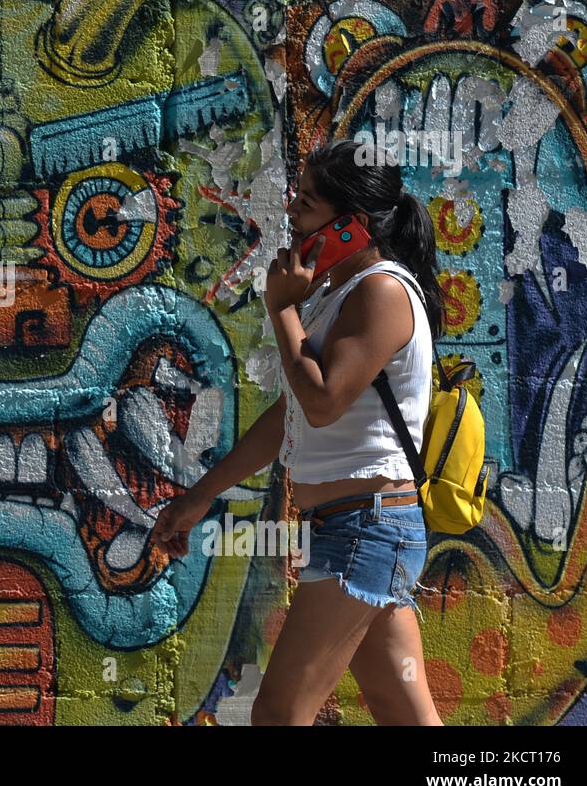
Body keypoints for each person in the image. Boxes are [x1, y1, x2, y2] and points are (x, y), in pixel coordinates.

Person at [152, 137, 446, 725]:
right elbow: (290, 416)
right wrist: (199, 497)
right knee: (402, 711)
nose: (292, 212)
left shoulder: (383, 291)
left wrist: (282, 310)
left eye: (307, 203)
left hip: (368, 529)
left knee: (279, 716)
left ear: (351, 225)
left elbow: (322, 402)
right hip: (353, 529)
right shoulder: (337, 295)